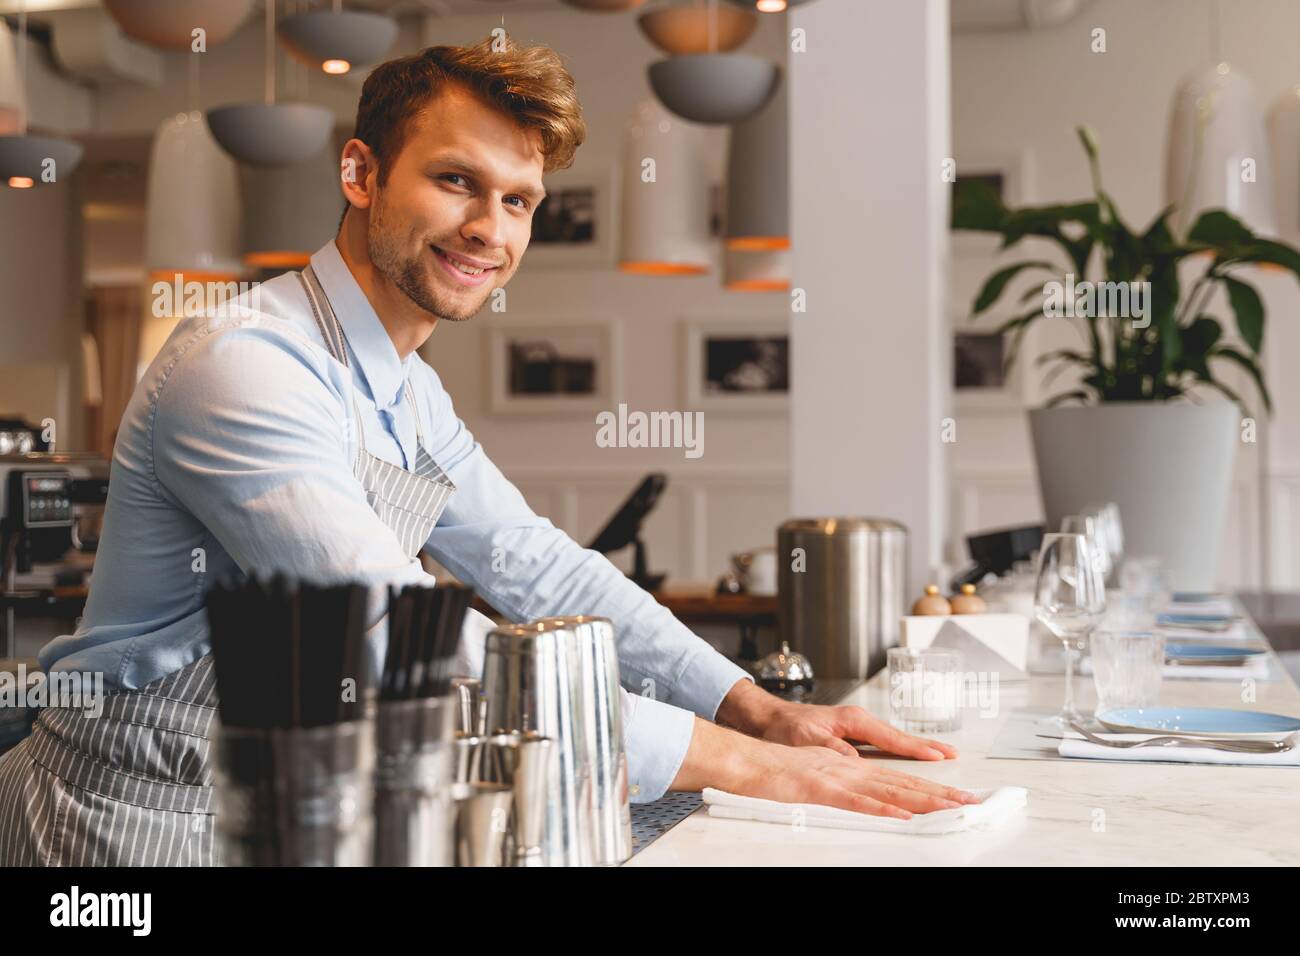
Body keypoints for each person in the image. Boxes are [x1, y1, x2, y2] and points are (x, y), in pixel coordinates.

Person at [0, 36, 976, 866]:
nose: (487, 228)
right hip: (127, 815)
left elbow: (535, 564)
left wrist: (755, 708)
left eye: (517, 199)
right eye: (456, 180)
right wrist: (736, 758)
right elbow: (388, 634)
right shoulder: (243, 365)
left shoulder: (408, 387)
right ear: (360, 172)